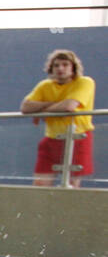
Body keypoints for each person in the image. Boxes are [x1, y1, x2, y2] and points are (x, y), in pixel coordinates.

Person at [20, 49, 95, 187]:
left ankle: (69, 209)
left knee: (72, 185)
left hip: (78, 138)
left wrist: (41, 110)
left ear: (73, 68)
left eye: (65, 64)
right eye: (56, 65)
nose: (60, 68)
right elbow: (25, 107)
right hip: (52, 138)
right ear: (51, 68)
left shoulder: (85, 82)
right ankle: (41, 209)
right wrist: (55, 106)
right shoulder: (45, 86)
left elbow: (69, 106)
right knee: (40, 184)